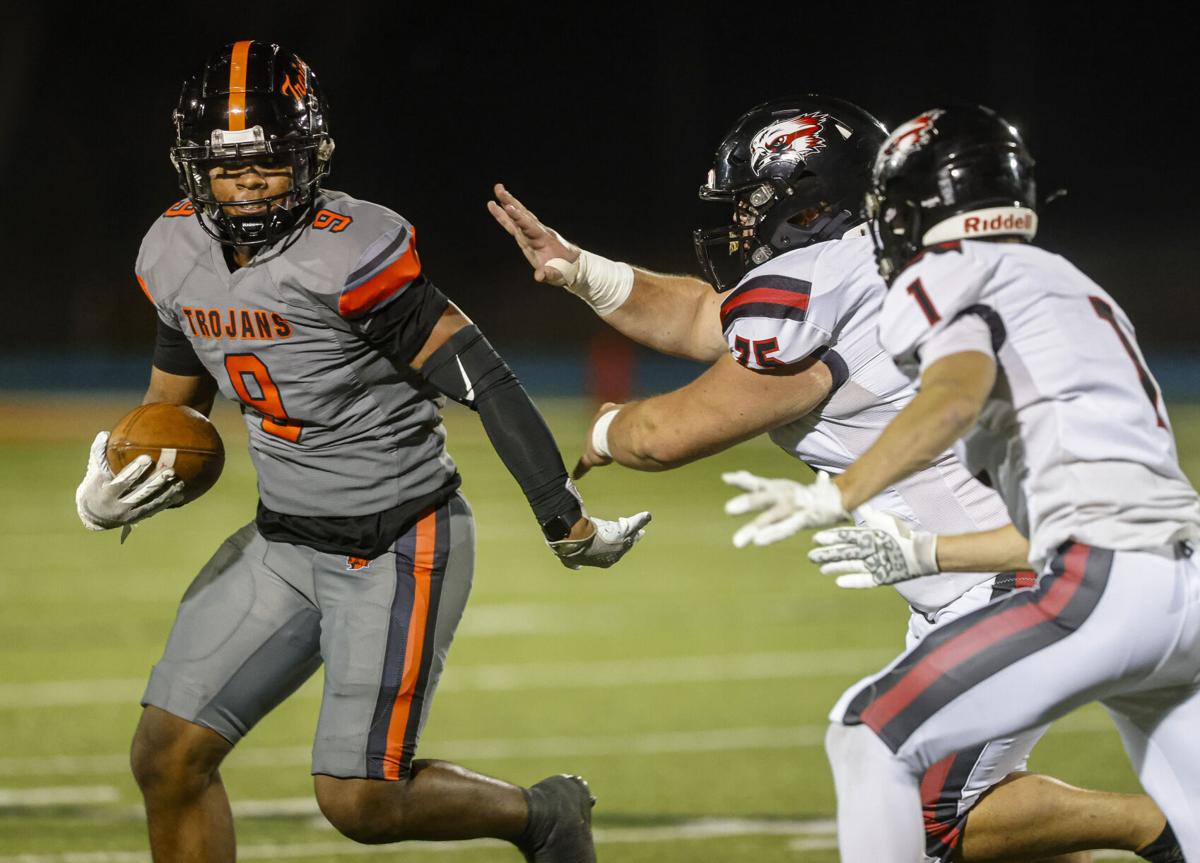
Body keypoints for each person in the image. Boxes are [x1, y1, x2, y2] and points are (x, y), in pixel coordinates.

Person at [489, 96, 1182, 862]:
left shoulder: (834, 286)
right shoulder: (911, 270)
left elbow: (668, 435)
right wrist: (582, 271)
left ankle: (1157, 828)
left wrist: (604, 430)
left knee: (918, 803)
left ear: (809, 198)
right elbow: (701, 317)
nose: (741, 226)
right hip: (1044, 557)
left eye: (752, 206)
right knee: (981, 815)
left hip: (1015, 576)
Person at [73, 40, 651, 863]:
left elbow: (483, 376)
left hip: (397, 540)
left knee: (362, 799)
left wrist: (561, 515)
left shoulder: (348, 251)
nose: (244, 183)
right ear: (191, 165)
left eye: (268, 162)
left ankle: (540, 814)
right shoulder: (173, 252)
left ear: (308, 157)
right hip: (282, 540)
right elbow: (174, 411)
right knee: (165, 755)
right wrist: (113, 484)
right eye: (224, 165)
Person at [721, 104, 1200, 862]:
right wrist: (929, 552)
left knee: (868, 732)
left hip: (1106, 584)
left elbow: (953, 395)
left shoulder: (940, 276)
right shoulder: (1076, 288)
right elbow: (1067, 516)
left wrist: (835, 494)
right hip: (1186, 587)